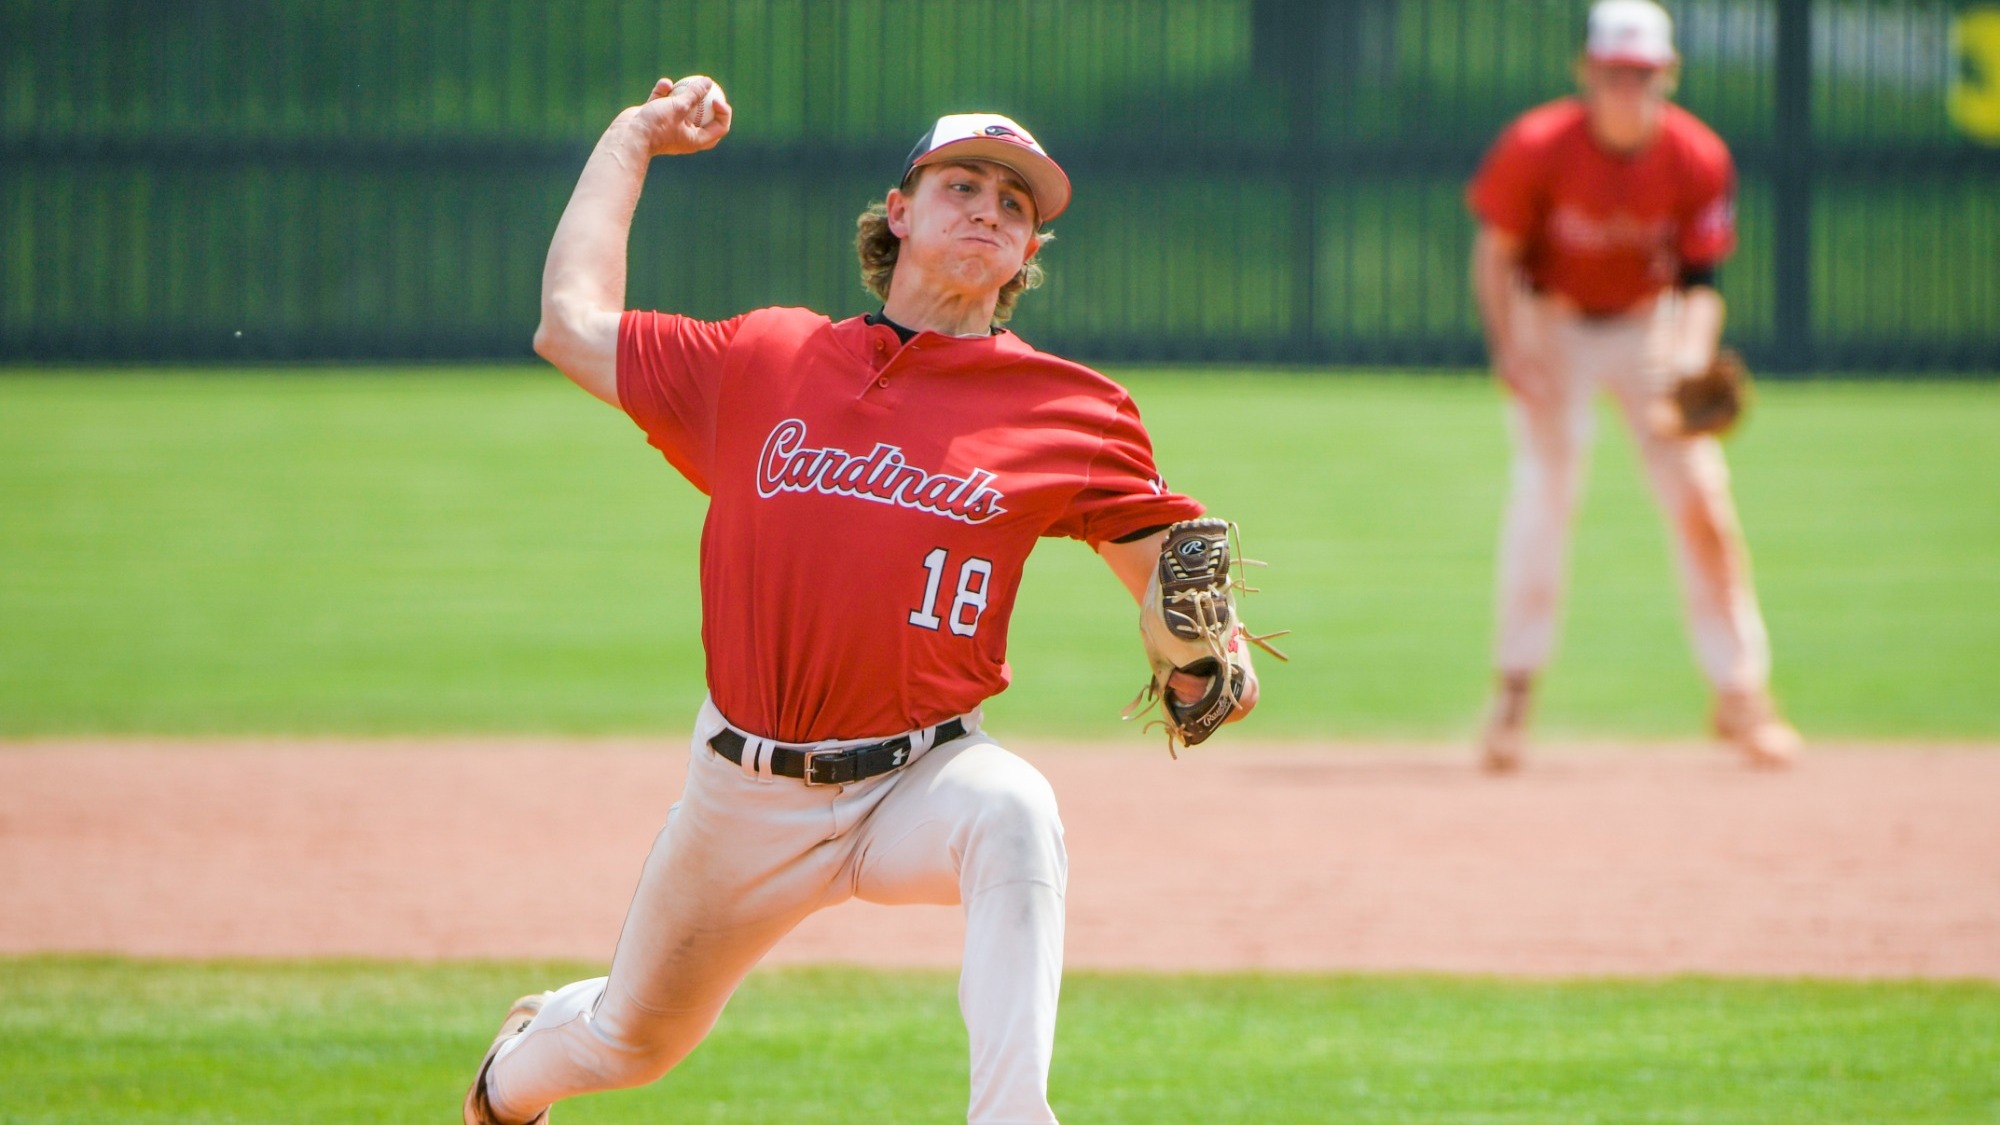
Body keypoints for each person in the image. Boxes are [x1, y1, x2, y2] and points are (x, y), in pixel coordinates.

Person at [461, 76, 1263, 1125]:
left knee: (1014, 809)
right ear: (899, 213)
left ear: (1026, 254)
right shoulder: (766, 358)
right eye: (961, 184)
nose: (988, 209)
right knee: (631, 1040)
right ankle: (503, 1087)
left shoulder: (1072, 409)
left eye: (1014, 206)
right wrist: (630, 138)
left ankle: (1012, 1115)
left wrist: (1214, 664)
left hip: (919, 778)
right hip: (744, 792)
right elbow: (568, 326)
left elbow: (1171, 577)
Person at [1465, 0, 1801, 772]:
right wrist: (1511, 346)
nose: (1627, 88)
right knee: (1543, 501)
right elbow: (1496, 253)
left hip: (1651, 325)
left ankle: (1741, 692)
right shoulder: (1537, 145)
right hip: (1552, 321)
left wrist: (1688, 359)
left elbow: (1702, 279)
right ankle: (1514, 691)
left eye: (1642, 74)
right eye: (1615, 73)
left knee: (1701, 497)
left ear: (1668, 76)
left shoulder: (1696, 157)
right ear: (1588, 72)